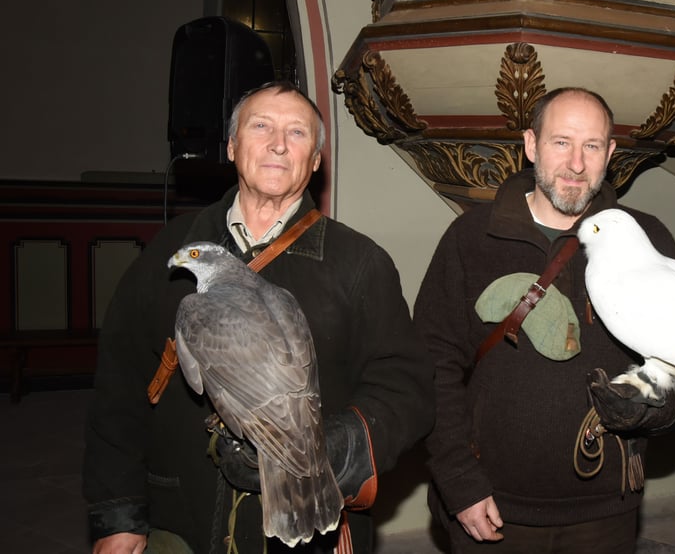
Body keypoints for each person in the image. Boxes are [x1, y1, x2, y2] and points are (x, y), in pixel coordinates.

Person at [83, 80, 435, 554]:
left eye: (297, 133)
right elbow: (120, 383)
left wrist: (324, 450)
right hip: (182, 515)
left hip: (306, 520)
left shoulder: (360, 263)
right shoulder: (172, 249)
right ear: (231, 146)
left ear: (315, 162)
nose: (277, 144)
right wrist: (119, 514)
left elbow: (407, 388)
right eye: (261, 126)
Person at [414, 87, 675, 553]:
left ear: (610, 154)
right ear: (530, 145)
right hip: (491, 506)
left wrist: (656, 408)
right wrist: (458, 481)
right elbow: (431, 367)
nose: (576, 164)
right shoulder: (471, 237)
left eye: (592, 146)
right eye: (561, 142)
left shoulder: (648, 239)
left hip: (606, 510)